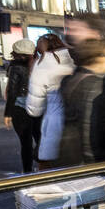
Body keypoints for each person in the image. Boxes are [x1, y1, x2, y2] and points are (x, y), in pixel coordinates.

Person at [58, 39, 105, 166]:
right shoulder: (94, 84)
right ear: (100, 57)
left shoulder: (71, 78)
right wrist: (95, 162)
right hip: (91, 157)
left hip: (68, 152)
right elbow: (89, 126)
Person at [26, 33, 74, 170]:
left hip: (54, 120)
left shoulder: (42, 64)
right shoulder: (73, 57)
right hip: (77, 115)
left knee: (50, 168)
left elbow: (34, 108)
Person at [3, 38, 39, 173]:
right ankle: (45, 166)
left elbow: (12, 91)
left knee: (26, 143)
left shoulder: (15, 68)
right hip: (38, 107)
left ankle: (28, 172)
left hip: (20, 109)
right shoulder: (39, 64)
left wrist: (8, 113)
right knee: (40, 139)